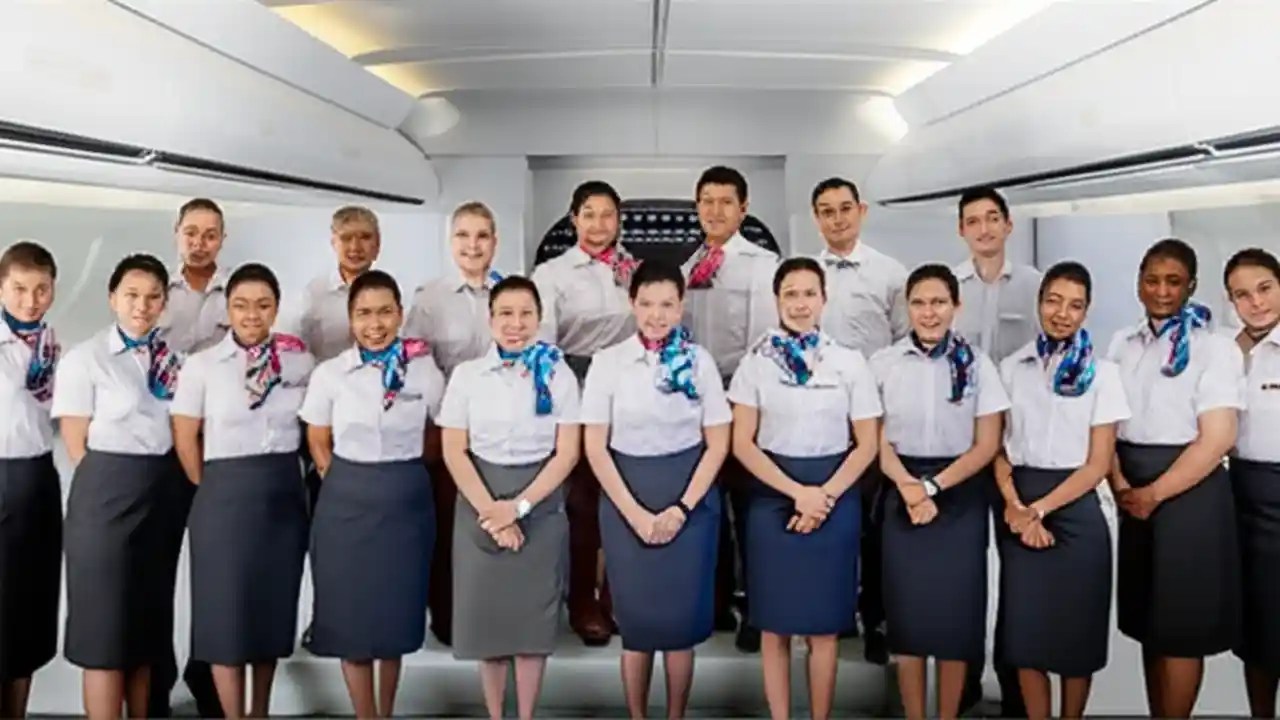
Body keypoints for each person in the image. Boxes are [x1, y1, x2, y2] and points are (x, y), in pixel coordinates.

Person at [728, 258, 881, 720]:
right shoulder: (755, 363)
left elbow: (867, 443)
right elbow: (742, 443)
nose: (800, 303)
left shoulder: (849, 361)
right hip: (774, 495)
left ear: (824, 299)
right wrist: (798, 493)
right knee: (774, 625)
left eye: (808, 293)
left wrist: (823, 496)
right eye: (790, 294)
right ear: (777, 300)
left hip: (835, 494)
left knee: (824, 627)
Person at [582, 260, 731, 719]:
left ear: (682, 306)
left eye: (667, 304)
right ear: (632, 304)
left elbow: (718, 442)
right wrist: (635, 514)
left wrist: (682, 509)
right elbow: (595, 446)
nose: (657, 314)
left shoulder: (700, 362)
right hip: (627, 497)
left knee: (680, 625)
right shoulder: (608, 363)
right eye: (647, 303)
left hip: (689, 498)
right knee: (638, 624)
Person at [297, 269, 444, 719]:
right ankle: (365, 714)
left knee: (393, 617)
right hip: (346, 501)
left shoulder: (423, 369)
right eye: (364, 313)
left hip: (406, 500)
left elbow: (441, 430)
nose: (375, 323)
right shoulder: (331, 374)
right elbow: (317, 438)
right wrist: (337, 478)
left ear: (400, 315)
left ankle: (386, 711)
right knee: (352, 617)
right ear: (350, 318)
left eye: (384, 312)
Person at [1107, 238, 1243, 719]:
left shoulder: (1216, 347)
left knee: (1182, 627)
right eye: (1152, 279)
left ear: (1191, 286)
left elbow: (1219, 437)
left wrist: (1155, 493)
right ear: (1138, 281)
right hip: (1132, 491)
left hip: (1189, 493)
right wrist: (1121, 484)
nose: (1162, 291)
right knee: (1149, 621)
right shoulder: (1122, 343)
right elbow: (1107, 422)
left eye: (1174, 281)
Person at [170, 263, 314, 719]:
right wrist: (209, 486)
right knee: (226, 617)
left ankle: (259, 713)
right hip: (223, 495)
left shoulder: (298, 361)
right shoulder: (203, 365)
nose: (252, 314)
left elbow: (313, 427)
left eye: (263, 305)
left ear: (276, 308)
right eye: (241, 305)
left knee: (269, 614)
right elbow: (185, 434)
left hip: (282, 494)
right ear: (226, 309)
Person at [869, 263, 1009, 720]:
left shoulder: (978, 364)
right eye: (919, 303)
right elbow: (874, 437)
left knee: (955, 623)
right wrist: (910, 488)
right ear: (906, 307)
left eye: (938, 302)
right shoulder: (883, 363)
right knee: (907, 620)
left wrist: (931, 487)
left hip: (960, 492)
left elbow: (987, 443)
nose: (928, 313)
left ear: (956, 306)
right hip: (901, 488)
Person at [438, 276, 580, 720]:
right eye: (506, 313)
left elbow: (567, 452)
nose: (515, 324)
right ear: (491, 318)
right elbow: (453, 450)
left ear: (539, 319)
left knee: (531, 627)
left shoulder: (558, 373)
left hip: (539, 502)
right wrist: (494, 515)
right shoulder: (467, 376)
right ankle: (496, 714)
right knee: (491, 626)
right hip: (479, 501)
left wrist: (517, 509)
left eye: (525, 314)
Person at [52, 253, 186, 720]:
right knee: (104, 632)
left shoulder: (173, 360)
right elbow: (75, 442)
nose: (142, 306)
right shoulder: (86, 358)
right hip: (104, 495)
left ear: (164, 304)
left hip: (160, 495)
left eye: (153, 297)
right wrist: (113, 486)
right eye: (131, 295)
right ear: (112, 298)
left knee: (145, 630)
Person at [993, 262, 1128, 720]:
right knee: (1024, 635)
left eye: (1075, 305)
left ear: (1086, 312)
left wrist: (1039, 511)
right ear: (1039, 303)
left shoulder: (1104, 374)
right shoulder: (1012, 368)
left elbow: (1096, 465)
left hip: (1075, 506)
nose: (1062, 313)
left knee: (1077, 639)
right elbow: (998, 451)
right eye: (1054, 301)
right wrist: (1016, 507)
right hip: (1021, 499)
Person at [531, 180, 639, 645]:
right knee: (582, 503)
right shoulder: (552, 273)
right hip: (575, 386)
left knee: (627, 493)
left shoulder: (634, 270)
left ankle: (620, 597)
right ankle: (581, 600)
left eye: (608, 215)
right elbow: (545, 346)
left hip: (629, 389)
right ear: (573, 218)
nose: (599, 225)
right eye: (589, 214)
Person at [809, 176, 908, 662]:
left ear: (862, 211)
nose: (837, 219)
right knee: (828, 515)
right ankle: (832, 612)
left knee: (873, 524)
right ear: (816, 218)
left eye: (845, 208)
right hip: (818, 416)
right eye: (826, 211)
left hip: (872, 416)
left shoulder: (891, 274)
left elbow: (907, 343)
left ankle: (877, 619)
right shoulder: (804, 275)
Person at [682, 165, 779, 653]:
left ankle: (756, 608)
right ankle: (716, 601)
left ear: (744, 208)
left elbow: (763, 343)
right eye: (706, 201)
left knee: (748, 509)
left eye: (725, 201)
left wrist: (736, 400)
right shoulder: (691, 264)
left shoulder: (762, 265)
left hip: (741, 399)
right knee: (704, 504)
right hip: (696, 401)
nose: (714, 210)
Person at [952, 186, 1040, 716]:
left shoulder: (1035, 288)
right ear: (961, 230)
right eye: (972, 221)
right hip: (961, 449)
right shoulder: (947, 288)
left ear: (1008, 225)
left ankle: (1012, 678)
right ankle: (962, 678)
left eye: (992, 219)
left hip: (1017, 449)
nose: (983, 229)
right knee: (962, 571)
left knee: (1018, 572)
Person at [404, 201, 505, 647]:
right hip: (449, 433)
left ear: (495, 242)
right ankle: (446, 617)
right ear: (451, 243)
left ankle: (494, 614)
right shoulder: (429, 299)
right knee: (449, 528)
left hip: (502, 433)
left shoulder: (512, 292)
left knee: (497, 523)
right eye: (463, 235)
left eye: (482, 236)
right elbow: (412, 366)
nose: (473, 245)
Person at [153, 197, 228, 718]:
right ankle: (155, 673)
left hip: (221, 449)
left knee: (217, 569)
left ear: (222, 239)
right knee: (156, 567)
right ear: (177, 234)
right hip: (162, 447)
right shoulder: (157, 294)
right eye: (191, 232)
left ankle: (208, 672)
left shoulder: (239, 293)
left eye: (210, 234)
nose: (200, 242)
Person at [0, 241, 62, 719]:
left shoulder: (54, 346)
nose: (30, 299)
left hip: (37, 479)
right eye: (19, 288)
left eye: (41, 289)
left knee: (29, 608)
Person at [1225, 247, 1280, 718]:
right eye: (1242, 295)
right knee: (1258, 628)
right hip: (1245, 496)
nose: (1256, 302)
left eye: (1265, 289)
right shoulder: (1229, 352)